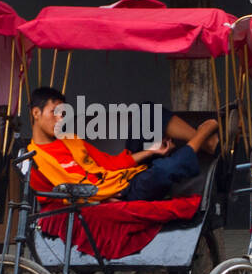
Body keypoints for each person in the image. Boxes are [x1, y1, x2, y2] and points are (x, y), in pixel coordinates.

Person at [26, 86, 219, 202]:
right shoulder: (36, 158)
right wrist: (99, 200)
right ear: (36, 113)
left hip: (119, 176)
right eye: (54, 112)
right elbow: (58, 197)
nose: (60, 119)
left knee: (148, 111)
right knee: (164, 170)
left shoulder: (71, 139)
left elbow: (109, 163)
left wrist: (149, 152)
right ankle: (203, 134)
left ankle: (207, 143)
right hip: (120, 193)